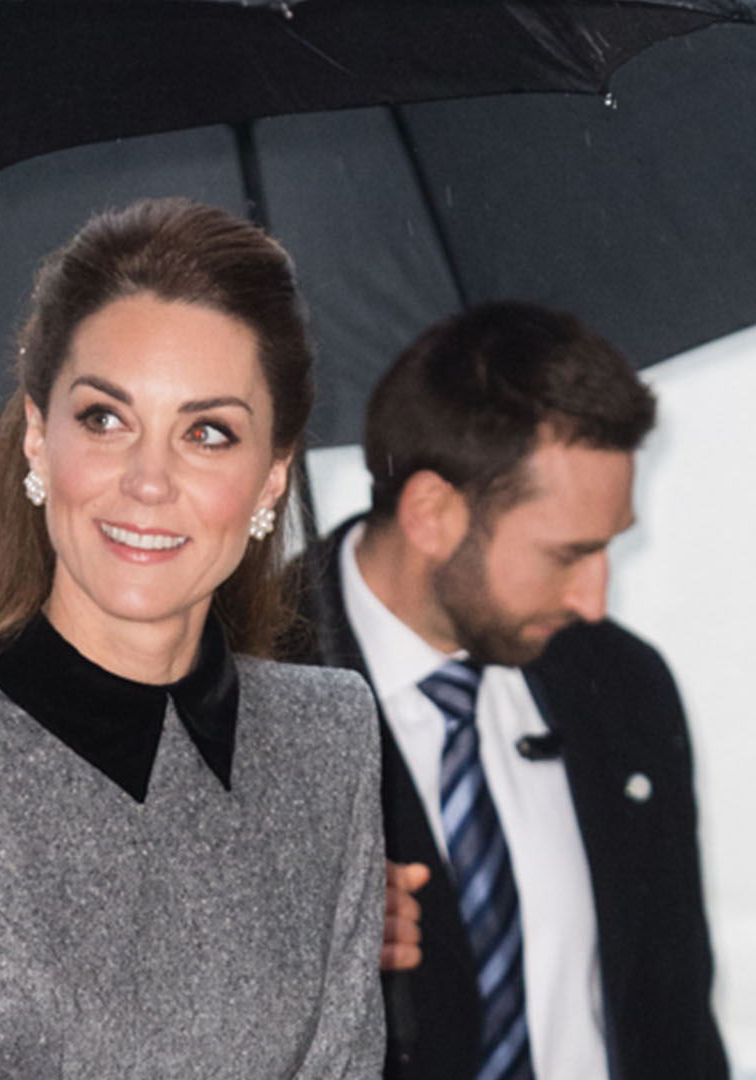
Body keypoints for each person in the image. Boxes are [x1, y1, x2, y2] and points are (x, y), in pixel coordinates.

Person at [0, 198, 384, 1076]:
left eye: (208, 433)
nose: (149, 482)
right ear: (39, 442)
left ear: (272, 475)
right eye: (105, 418)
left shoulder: (329, 735)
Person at [291, 302, 727, 1080]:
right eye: (568, 553)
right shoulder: (226, 702)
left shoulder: (622, 683)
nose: (595, 598)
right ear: (432, 513)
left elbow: (675, 1016)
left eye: (609, 548)